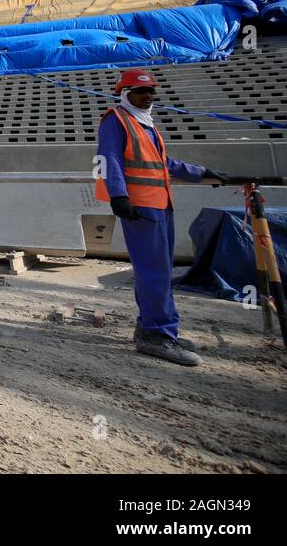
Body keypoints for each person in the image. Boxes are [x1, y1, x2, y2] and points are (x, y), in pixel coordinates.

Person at [94, 69, 228, 366]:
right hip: (140, 208)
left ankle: (153, 327)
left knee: (159, 271)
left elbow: (163, 162)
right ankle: (157, 334)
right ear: (124, 93)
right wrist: (118, 196)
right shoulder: (116, 120)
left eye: (151, 92)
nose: (147, 97)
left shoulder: (146, 126)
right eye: (141, 92)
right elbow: (108, 158)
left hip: (160, 205)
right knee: (154, 272)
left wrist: (200, 173)